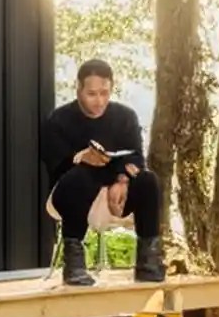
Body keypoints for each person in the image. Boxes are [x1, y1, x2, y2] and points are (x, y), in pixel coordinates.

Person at [41, 59, 166, 286]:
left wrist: (122, 180)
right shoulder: (58, 120)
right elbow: (55, 166)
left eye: (104, 93)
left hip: (116, 197)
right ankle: (74, 264)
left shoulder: (125, 117)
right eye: (92, 94)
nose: (99, 101)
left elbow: (136, 158)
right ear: (78, 89)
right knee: (80, 177)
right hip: (72, 197)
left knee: (148, 180)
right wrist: (80, 158)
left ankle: (149, 261)